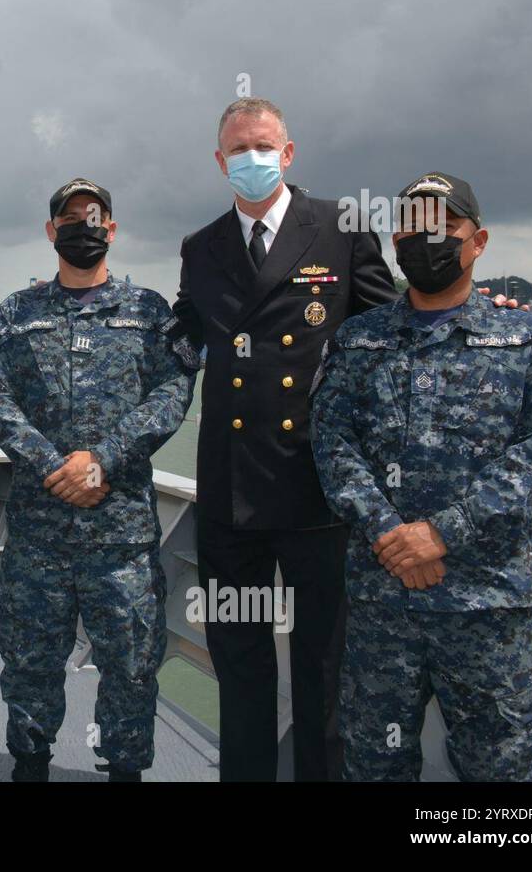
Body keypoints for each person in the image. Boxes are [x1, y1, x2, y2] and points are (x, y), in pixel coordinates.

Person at [310, 172, 532, 781]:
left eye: (442, 226)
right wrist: (391, 533)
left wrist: (442, 532)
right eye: (410, 226)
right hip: (384, 603)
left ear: (477, 240)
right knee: (374, 763)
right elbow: (332, 444)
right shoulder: (359, 342)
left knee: (499, 773)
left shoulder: (527, 340)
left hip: (487, 608)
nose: (423, 238)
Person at [172, 99, 401, 781]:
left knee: (322, 677)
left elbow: (391, 332)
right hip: (230, 497)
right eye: (238, 149)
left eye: (263, 145)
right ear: (220, 162)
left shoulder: (339, 227)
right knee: (239, 672)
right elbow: (182, 336)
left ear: (289, 152)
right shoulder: (201, 246)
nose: (252, 158)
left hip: (316, 495)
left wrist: (474, 313)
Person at [0, 178, 197, 781]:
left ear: (112, 228)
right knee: (28, 664)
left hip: (120, 533)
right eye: (70, 218)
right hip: (38, 533)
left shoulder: (150, 313)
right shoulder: (15, 315)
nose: (83, 226)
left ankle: (124, 771)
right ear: (52, 232)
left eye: (94, 216)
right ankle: (31, 765)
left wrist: (102, 457)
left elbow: (174, 391)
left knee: (129, 666)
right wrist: (55, 465)